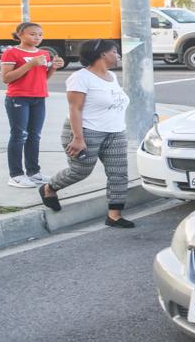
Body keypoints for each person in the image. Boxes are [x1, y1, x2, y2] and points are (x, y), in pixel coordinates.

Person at [39, 39, 135, 228]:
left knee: (119, 174)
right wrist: (78, 138)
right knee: (80, 171)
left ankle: (114, 215)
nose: (117, 55)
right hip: (85, 132)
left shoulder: (111, 77)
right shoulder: (80, 77)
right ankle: (49, 188)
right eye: (114, 52)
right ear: (102, 55)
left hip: (115, 132)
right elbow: (76, 109)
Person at [0, 22, 65, 188]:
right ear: (20, 35)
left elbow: (43, 78)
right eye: (32, 34)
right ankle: (15, 175)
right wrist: (30, 64)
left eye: (40, 34)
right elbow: (6, 78)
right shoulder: (11, 52)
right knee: (19, 136)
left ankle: (34, 173)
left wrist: (53, 68)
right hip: (18, 99)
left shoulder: (44, 54)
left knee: (34, 136)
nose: (37, 38)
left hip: (39, 98)